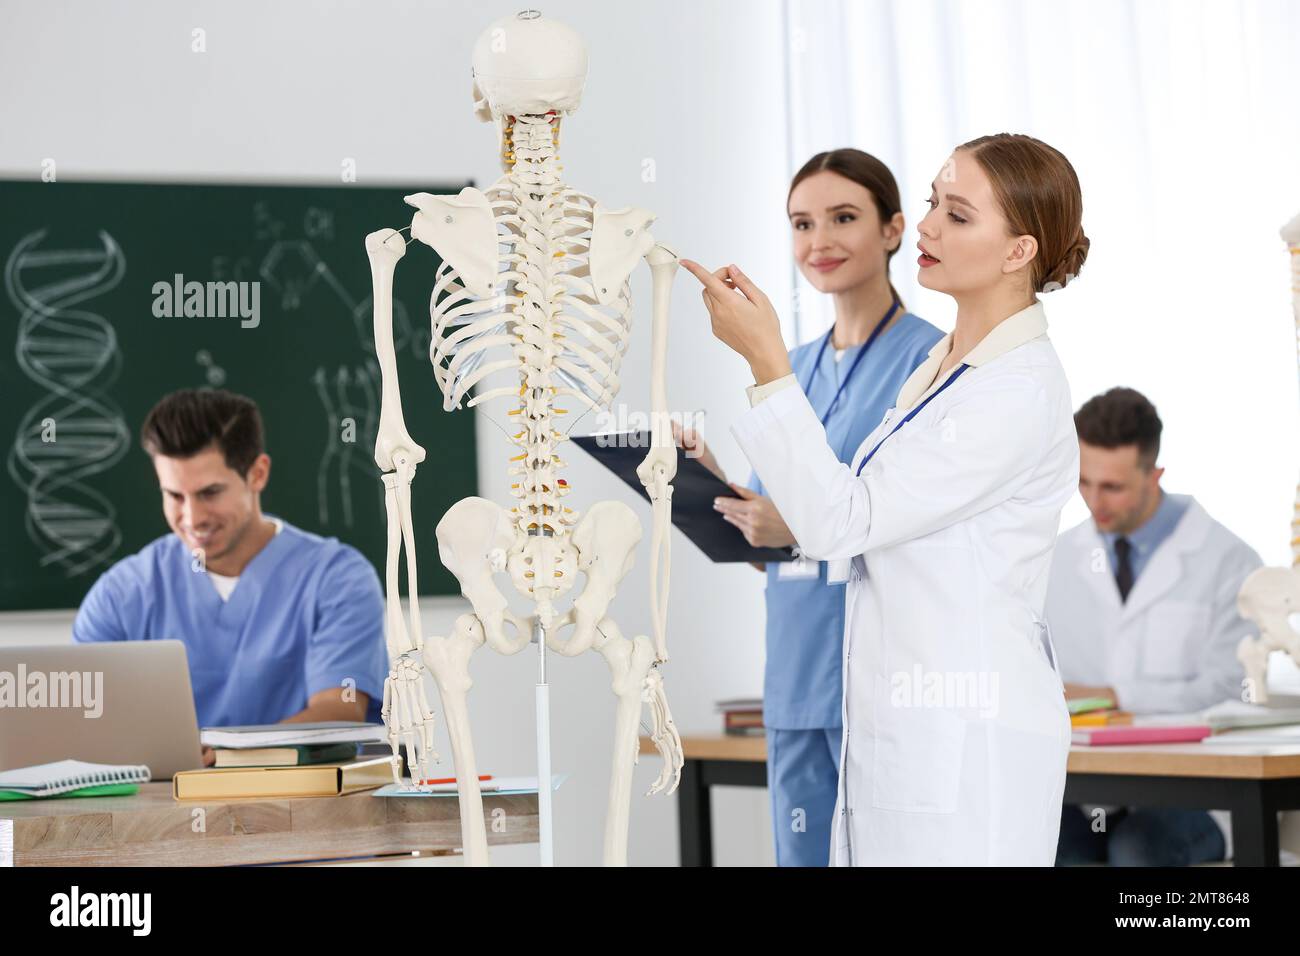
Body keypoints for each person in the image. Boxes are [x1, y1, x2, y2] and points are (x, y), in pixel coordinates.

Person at [682, 132, 1090, 865]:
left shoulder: (1015, 390)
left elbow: (844, 520)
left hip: (965, 741)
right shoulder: (942, 370)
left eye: (957, 215)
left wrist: (765, 361)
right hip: (896, 720)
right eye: (934, 202)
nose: (928, 226)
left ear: (1018, 251)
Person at [679, 149, 942, 866]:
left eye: (843, 218)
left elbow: (921, 525)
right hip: (795, 667)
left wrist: (794, 529)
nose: (818, 240)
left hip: (877, 669)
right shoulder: (787, 364)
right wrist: (708, 485)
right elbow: (774, 525)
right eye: (802, 223)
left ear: (893, 230)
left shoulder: (933, 362)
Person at [73, 389, 387, 766]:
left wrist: (227, 756)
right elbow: (84, 724)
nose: (192, 518)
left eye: (210, 493)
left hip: (304, 807)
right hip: (159, 813)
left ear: (258, 474)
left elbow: (339, 713)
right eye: (174, 495)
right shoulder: (121, 594)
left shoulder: (338, 579)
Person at [1046, 387, 1263, 865]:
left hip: (1199, 794)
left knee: (1138, 849)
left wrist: (1111, 695)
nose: (1094, 501)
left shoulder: (1229, 561)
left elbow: (1233, 686)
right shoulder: (1055, 560)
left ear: (1155, 475)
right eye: (1084, 482)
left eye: (1113, 487)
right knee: (1046, 847)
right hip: (1091, 790)